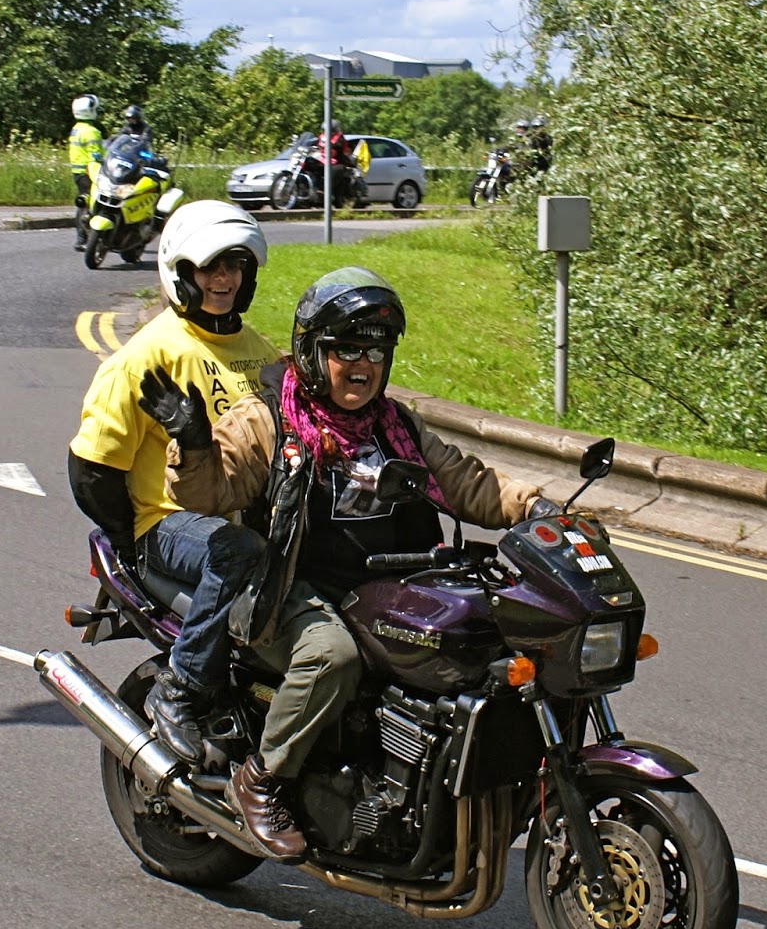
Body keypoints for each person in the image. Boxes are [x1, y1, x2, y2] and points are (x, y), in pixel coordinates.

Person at [141, 267, 551, 857]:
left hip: (388, 587)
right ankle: (262, 779)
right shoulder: (269, 420)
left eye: (376, 351)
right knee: (331, 657)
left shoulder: (395, 427)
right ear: (312, 352)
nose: (362, 365)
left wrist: (536, 508)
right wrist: (194, 443)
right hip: (289, 590)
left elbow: (464, 480)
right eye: (345, 350)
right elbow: (211, 493)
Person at [68, 201, 280, 763]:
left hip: (248, 515)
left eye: (234, 266)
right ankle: (180, 691)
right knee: (238, 550)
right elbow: (91, 468)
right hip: (167, 523)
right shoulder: (148, 356)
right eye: (209, 267)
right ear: (180, 273)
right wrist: (133, 543)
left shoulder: (260, 354)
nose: (223, 280)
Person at [68, 94, 104, 250]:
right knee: (93, 204)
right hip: (90, 172)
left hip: (78, 171)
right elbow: (96, 155)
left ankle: (81, 238)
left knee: (83, 203)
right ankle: (85, 238)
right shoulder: (92, 131)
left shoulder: (76, 129)